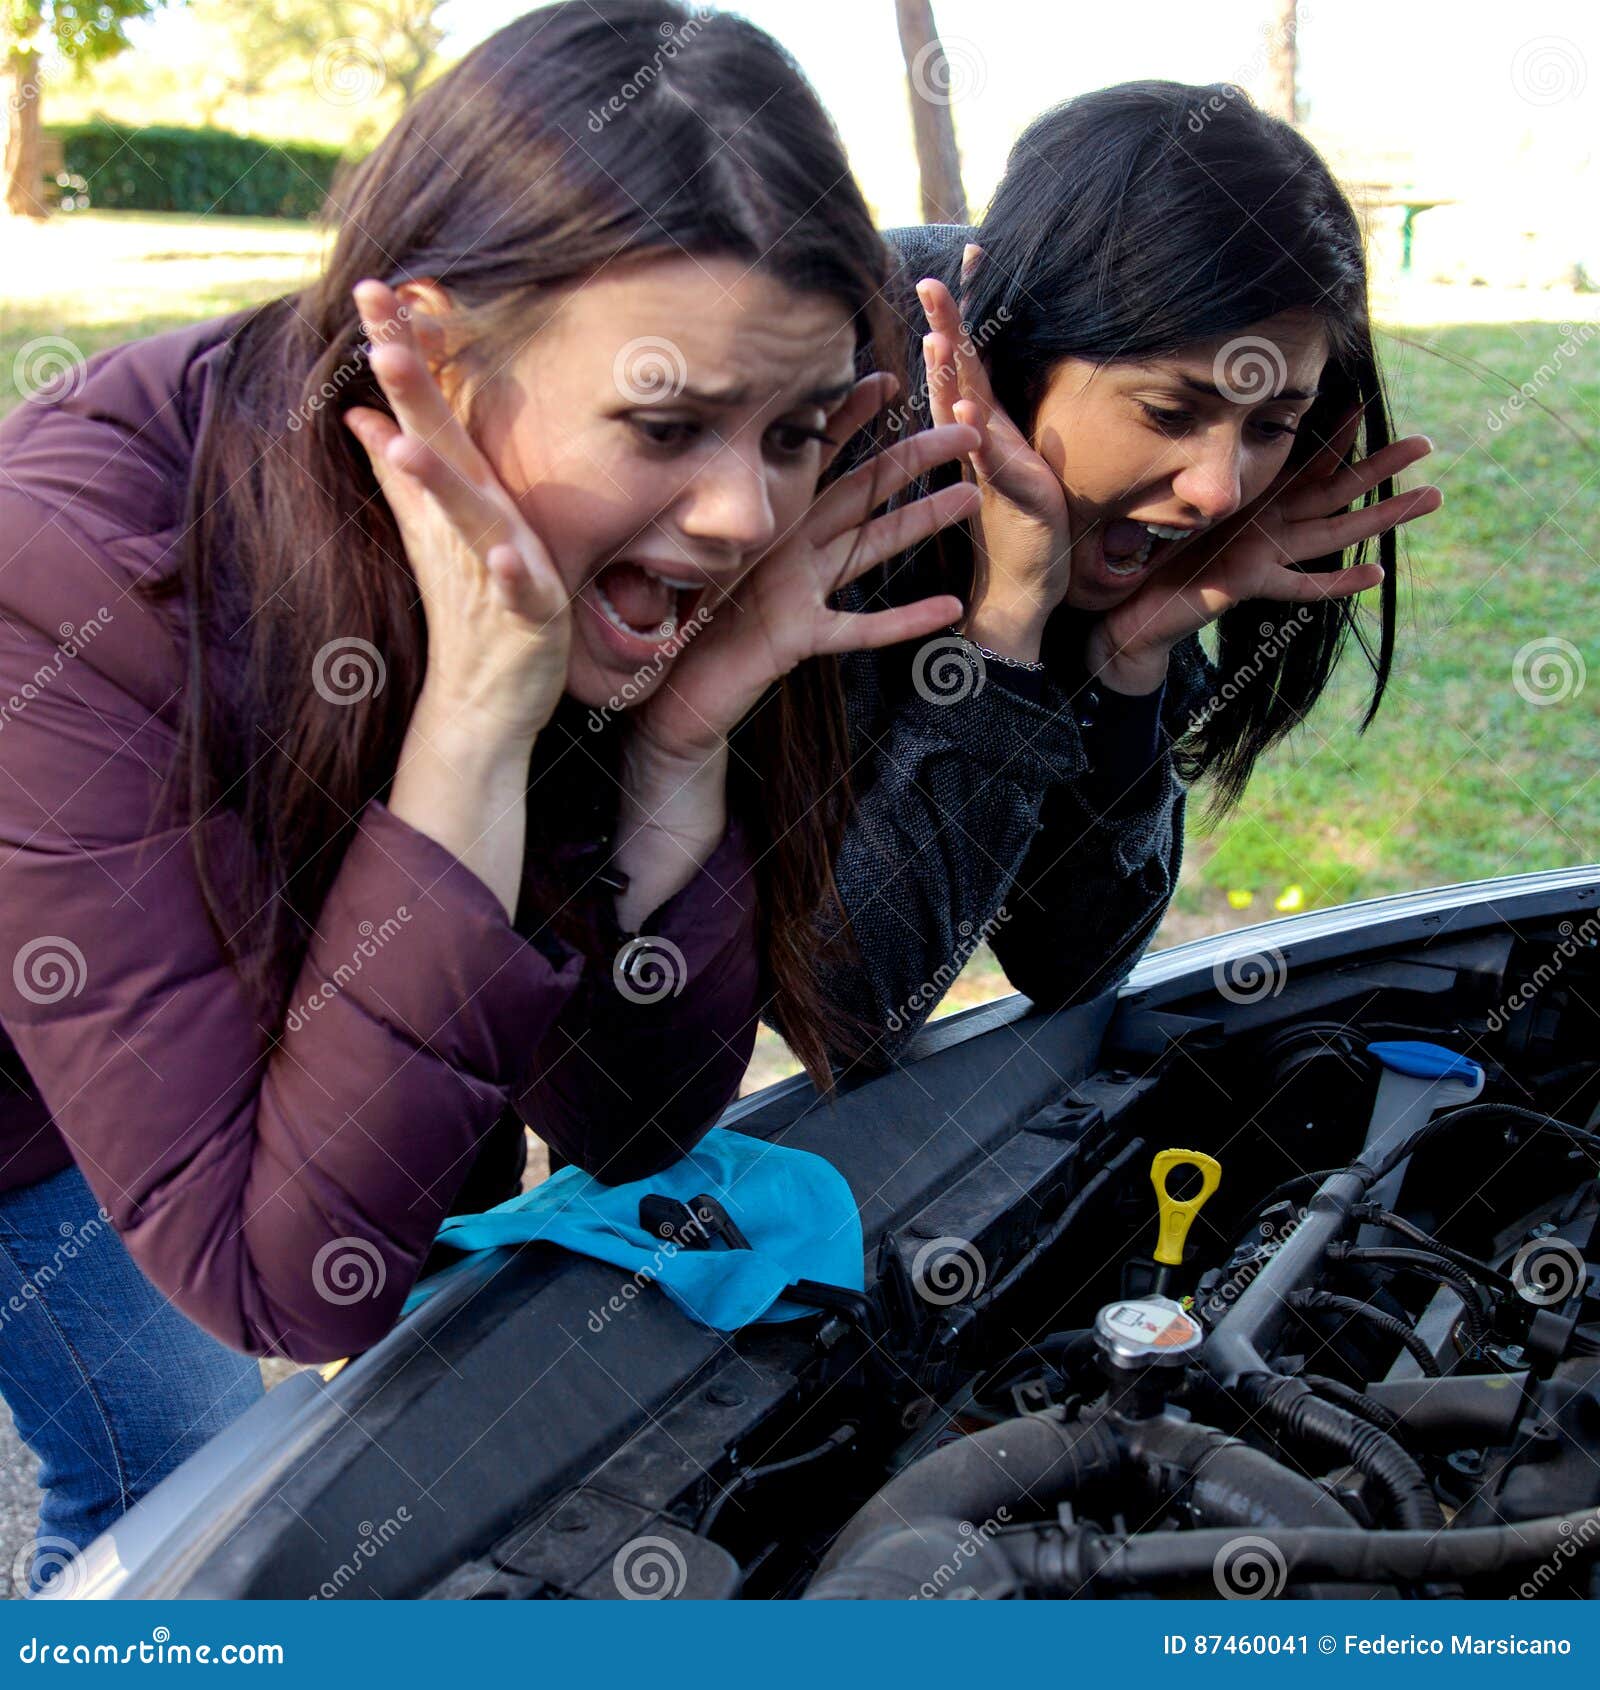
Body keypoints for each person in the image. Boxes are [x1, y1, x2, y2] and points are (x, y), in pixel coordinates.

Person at [0, 0, 979, 1588]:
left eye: (796, 431)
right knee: (172, 1459)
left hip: (167, 1036)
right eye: (668, 424)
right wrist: (472, 717)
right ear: (439, 359)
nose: (743, 513)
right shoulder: (70, 585)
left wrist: (681, 744)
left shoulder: (589, 554)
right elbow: (300, 1278)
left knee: (225, 1442)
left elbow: (633, 1125)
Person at [779, 81, 1443, 1073]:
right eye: (1173, 415)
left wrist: (1130, 660)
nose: (1219, 492)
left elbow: (1073, 962)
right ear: (1007, 358)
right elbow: (843, 1011)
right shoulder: (818, 450)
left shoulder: (1133, 516)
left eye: (1268, 426)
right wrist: (1004, 627)